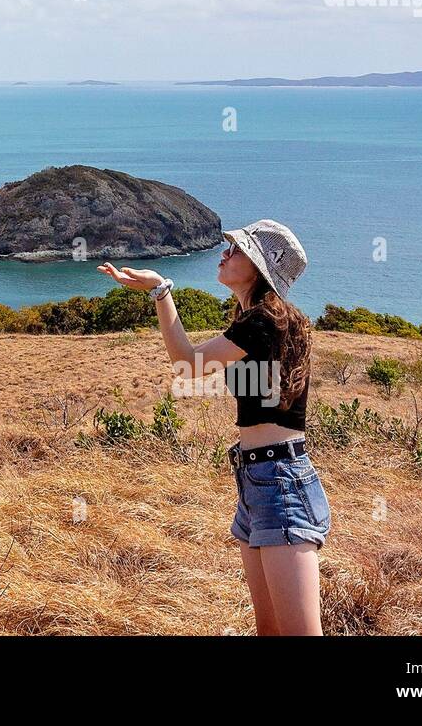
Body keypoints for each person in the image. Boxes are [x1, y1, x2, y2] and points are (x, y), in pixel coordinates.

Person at [99, 220, 330, 635]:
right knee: (270, 630)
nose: (224, 253)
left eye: (236, 250)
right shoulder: (259, 320)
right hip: (258, 478)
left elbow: (186, 363)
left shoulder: (264, 321)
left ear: (260, 267)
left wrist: (160, 291)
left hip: (280, 482)